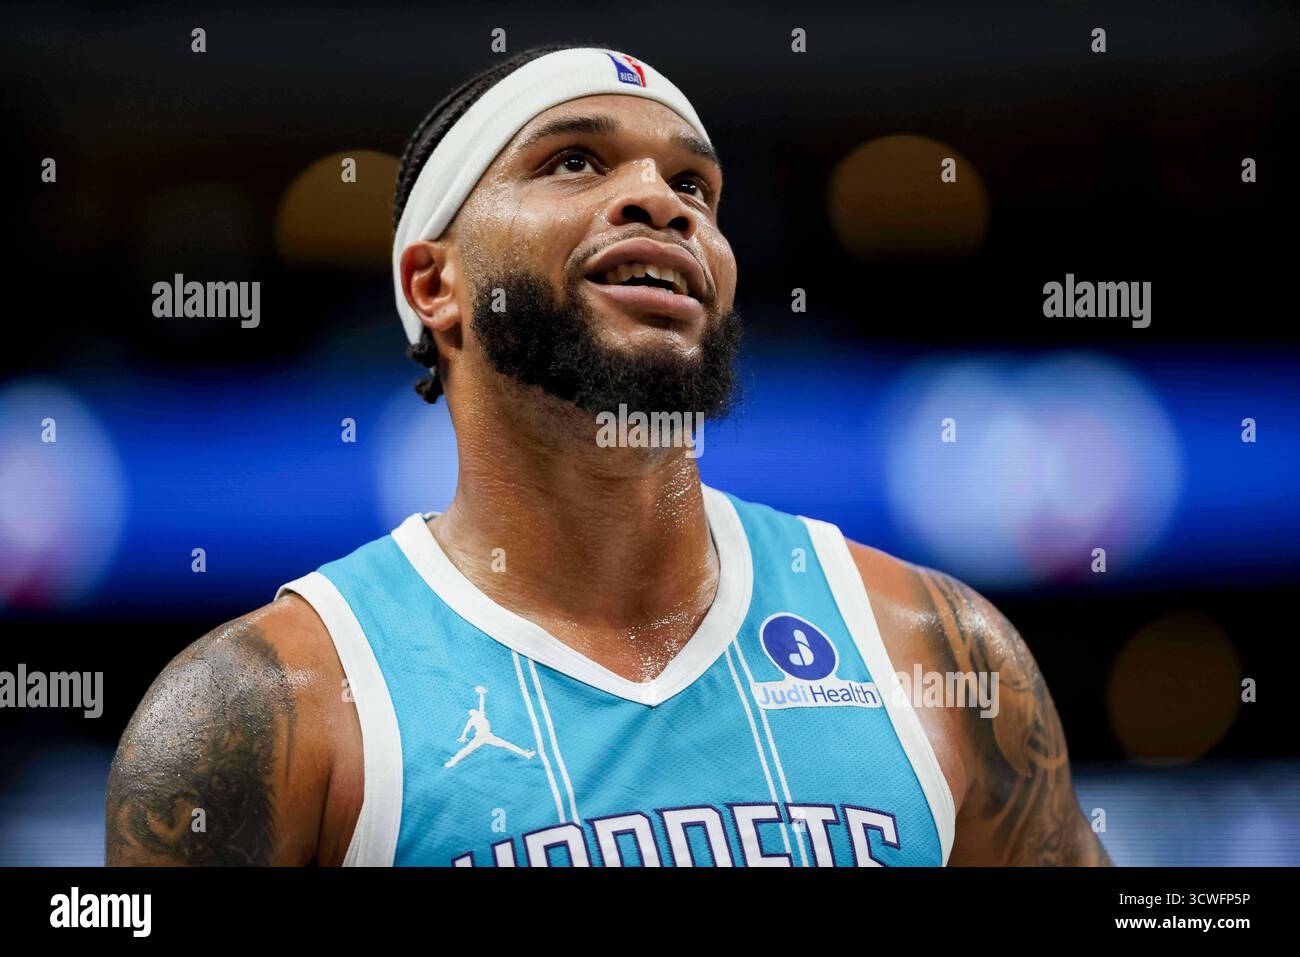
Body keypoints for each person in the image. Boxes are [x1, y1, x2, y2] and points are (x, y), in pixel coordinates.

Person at [105, 44, 1110, 867]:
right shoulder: (266, 705)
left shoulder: (939, 648)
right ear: (432, 284)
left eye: (693, 186)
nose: (663, 202)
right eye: (574, 160)